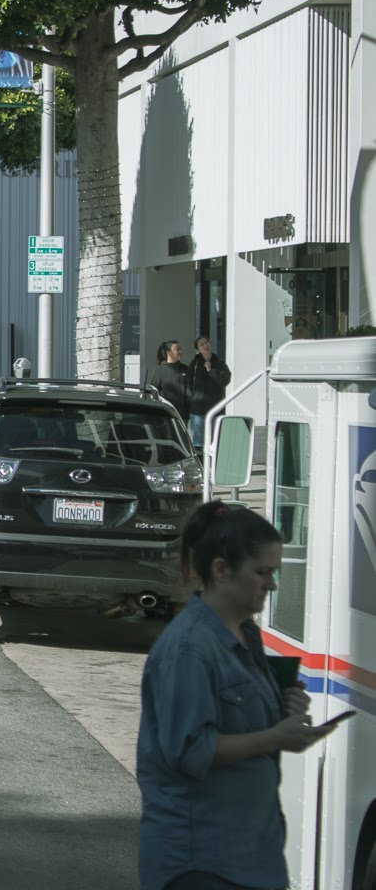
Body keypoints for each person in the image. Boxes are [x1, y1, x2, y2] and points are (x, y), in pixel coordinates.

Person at [137, 502, 337, 890]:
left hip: (249, 857)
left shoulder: (247, 635)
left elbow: (239, 720)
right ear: (221, 570)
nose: (272, 585)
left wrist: (282, 711)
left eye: (274, 573)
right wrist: (275, 738)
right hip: (202, 863)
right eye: (262, 572)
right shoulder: (189, 648)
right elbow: (190, 750)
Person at [188, 336, 232, 451]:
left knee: (215, 439)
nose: (205, 346)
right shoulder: (194, 364)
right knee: (198, 441)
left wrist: (211, 371)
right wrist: (192, 398)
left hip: (215, 407)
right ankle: (201, 465)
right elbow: (188, 384)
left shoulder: (220, 364)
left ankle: (214, 465)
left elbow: (224, 381)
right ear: (197, 349)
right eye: (201, 345)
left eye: (206, 343)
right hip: (198, 408)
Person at [146, 340, 191, 420]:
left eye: (180, 349)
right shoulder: (160, 371)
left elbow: (189, 391)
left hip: (182, 416)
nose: (180, 351)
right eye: (177, 349)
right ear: (169, 353)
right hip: (166, 414)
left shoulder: (185, 369)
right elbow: (154, 391)